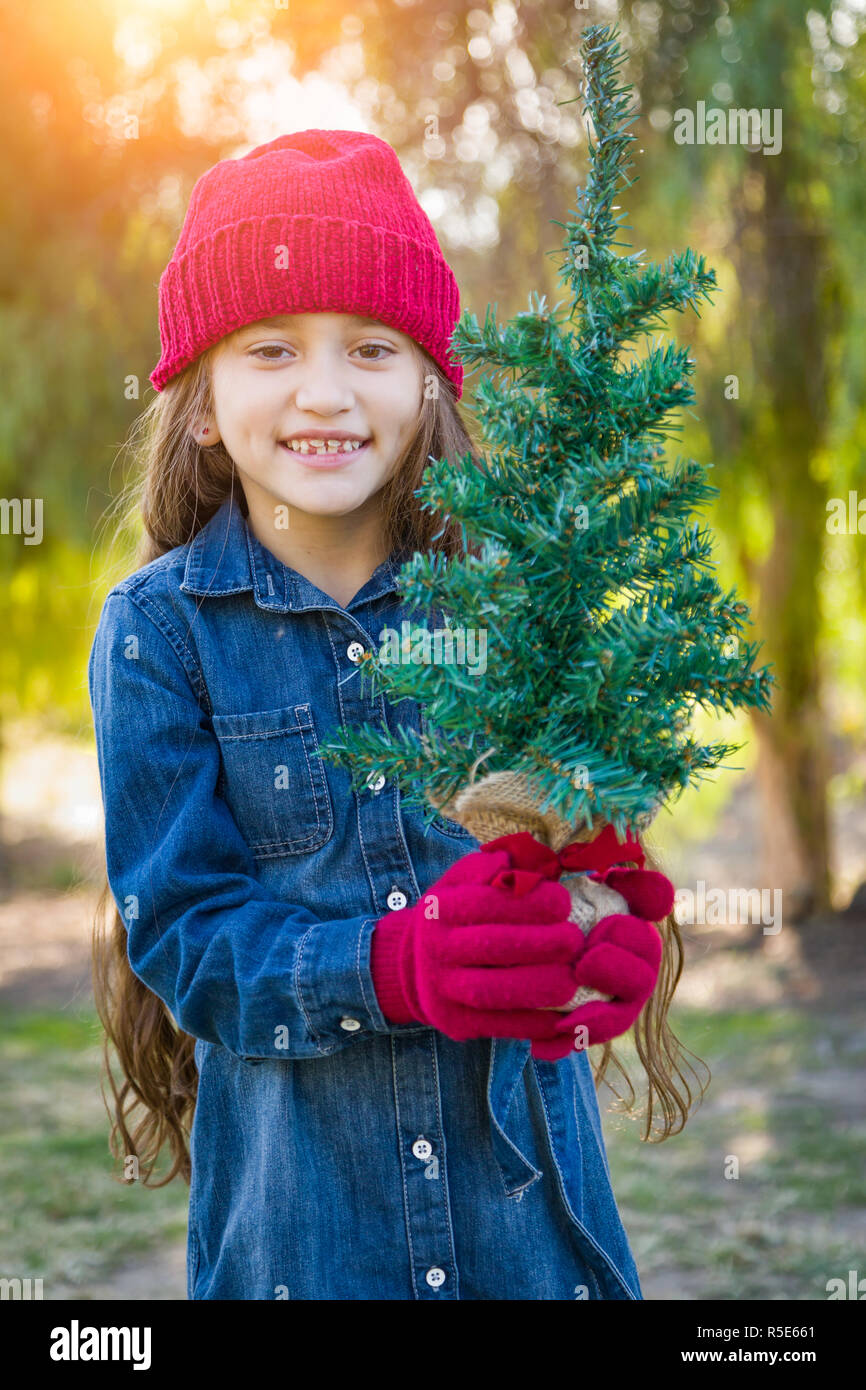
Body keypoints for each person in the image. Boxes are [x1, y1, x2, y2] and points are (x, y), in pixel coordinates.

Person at [88, 129, 697, 1301]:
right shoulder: (157, 633)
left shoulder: (516, 592)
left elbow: (569, 841)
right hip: (304, 1249)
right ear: (204, 402)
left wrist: (604, 920)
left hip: (530, 1248)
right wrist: (392, 965)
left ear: (429, 387)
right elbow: (185, 931)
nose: (324, 392)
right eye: (270, 349)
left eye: (372, 347)